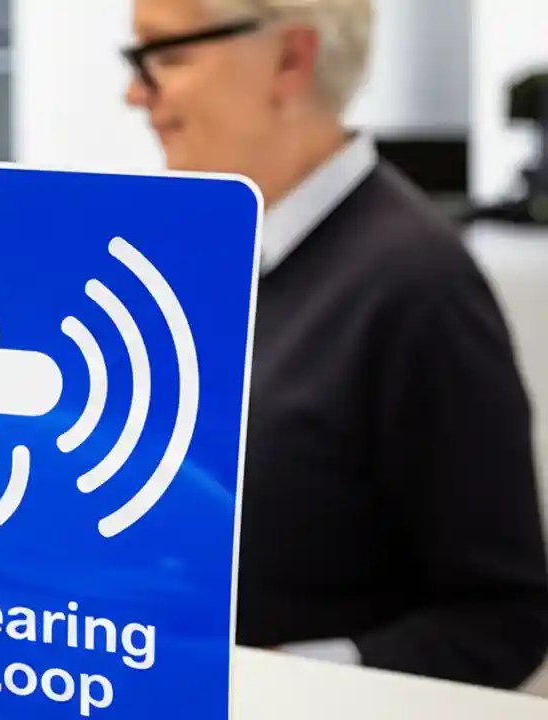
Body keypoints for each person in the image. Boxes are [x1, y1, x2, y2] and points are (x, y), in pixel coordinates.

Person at [123, 0, 548, 689]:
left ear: (291, 59)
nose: (135, 92)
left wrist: (281, 679)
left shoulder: (419, 289)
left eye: (167, 55)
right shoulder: (202, 259)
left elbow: (503, 617)